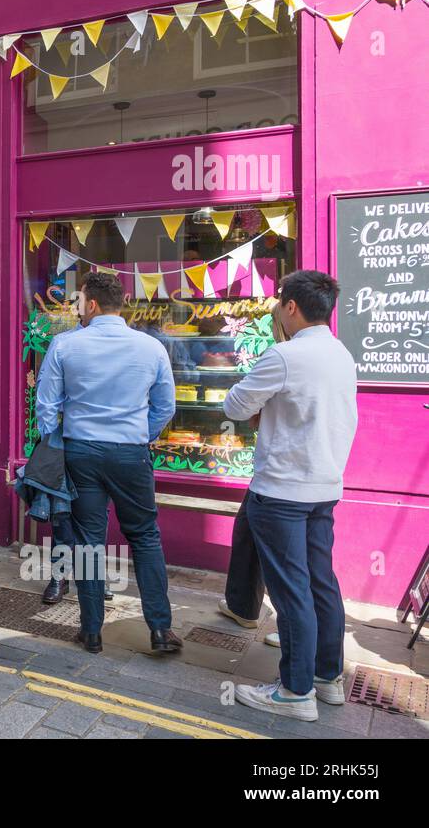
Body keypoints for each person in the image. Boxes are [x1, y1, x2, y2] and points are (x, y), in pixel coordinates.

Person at [226, 271, 357, 722]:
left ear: (291, 307)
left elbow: (235, 405)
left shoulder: (284, 355)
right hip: (324, 487)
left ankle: (294, 691)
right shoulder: (341, 354)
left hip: (281, 489)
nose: (277, 310)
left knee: (291, 592)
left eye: (280, 302)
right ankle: (327, 677)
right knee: (321, 583)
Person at [37, 271, 180, 656]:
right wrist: (141, 434)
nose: (77, 308)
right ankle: (161, 630)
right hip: (130, 452)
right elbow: (166, 406)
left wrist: (55, 447)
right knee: (145, 536)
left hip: (80, 450)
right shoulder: (150, 348)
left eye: (79, 301)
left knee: (88, 541)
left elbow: (46, 406)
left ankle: (91, 631)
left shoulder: (65, 345)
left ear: (93, 304)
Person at [219, 303, 290, 641]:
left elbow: (237, 405)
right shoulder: (334, 356)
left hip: (281, 475)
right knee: (248, 531)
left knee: (286, 560)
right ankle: (243, 606)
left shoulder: (281, 357)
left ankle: (294, 628)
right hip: (310, 474)